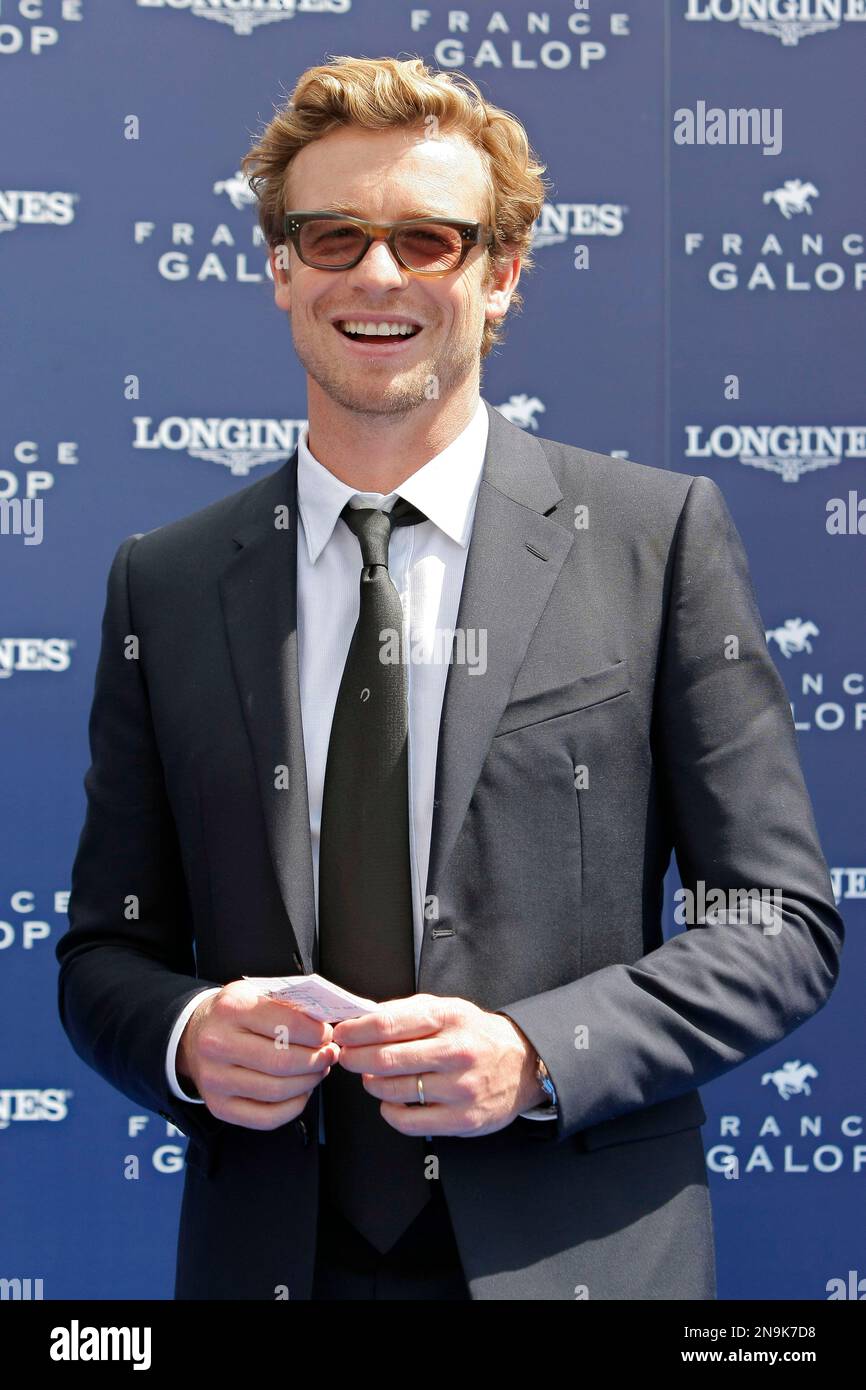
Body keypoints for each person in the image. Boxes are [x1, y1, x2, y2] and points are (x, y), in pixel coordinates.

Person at [56, 55, 844, 1301]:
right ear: (278, 268)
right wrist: (187, 1036)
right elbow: (106, 949)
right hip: (269, 1262)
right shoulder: (166, 581)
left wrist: (541, 1049)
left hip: (584, 1258)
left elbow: (776, 925)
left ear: (499, 274)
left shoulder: (653, 537)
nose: (377, 275)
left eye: (428, 239)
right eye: (334, 236)